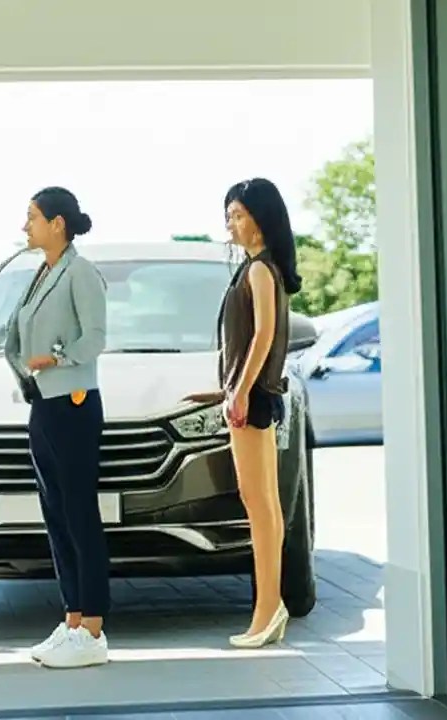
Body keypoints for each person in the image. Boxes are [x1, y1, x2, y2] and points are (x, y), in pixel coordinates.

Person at [0, 187, 109, 669]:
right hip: (44, 408)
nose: (24, 226)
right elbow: (2, 335)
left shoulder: (81, 272)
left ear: (58, 223)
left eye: (31, 217)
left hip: (73, 406)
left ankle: (93, 629)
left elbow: (95, 337)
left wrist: (57, 358)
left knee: (80, 517)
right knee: (56, 518)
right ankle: (73, 620)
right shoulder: (41, 274)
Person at [187, 177, 301, 649]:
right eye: (228, 216)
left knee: (260, 507)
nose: (230, 223)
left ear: (260, 218)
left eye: (237, 214)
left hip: (252, 401)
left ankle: (267, 609)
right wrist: (224, 390)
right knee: (265, 505)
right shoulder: (260, 269)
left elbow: (263, 337)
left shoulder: (259, 271)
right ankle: (270, 609)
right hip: (250, 396)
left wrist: (238, 392)